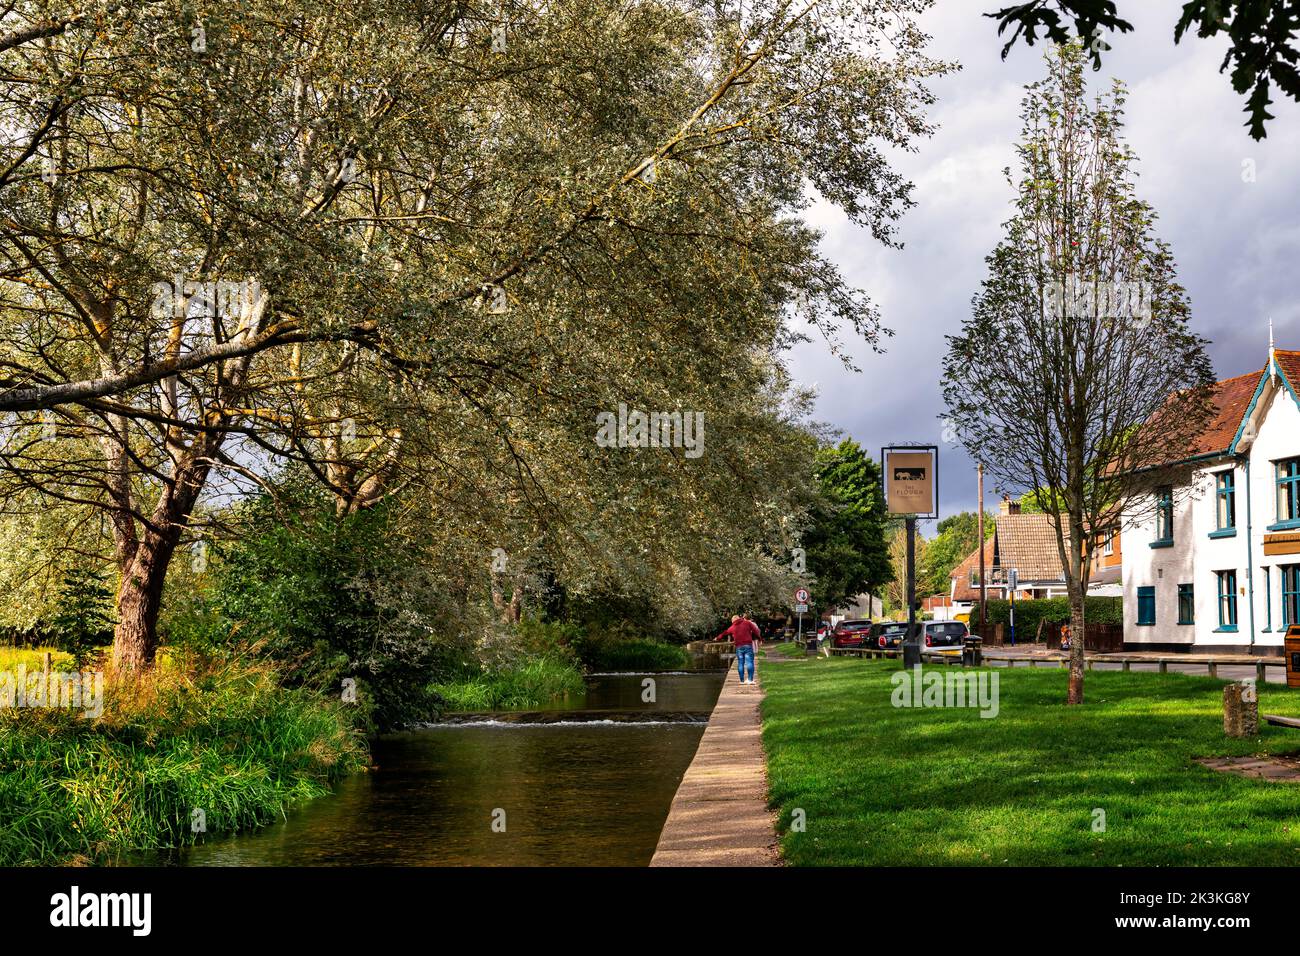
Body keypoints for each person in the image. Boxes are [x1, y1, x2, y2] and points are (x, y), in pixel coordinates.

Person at [718, 614, 760, 684]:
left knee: (741, 663)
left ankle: (742, 681)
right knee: (749, 662)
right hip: (748, 645)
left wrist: (717, 638)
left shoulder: (732, 626)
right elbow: (756, 631)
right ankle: (750, 680)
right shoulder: (748, 623)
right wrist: (760, 639)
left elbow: (725, 633)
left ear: (733, 621)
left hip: (739, 647)